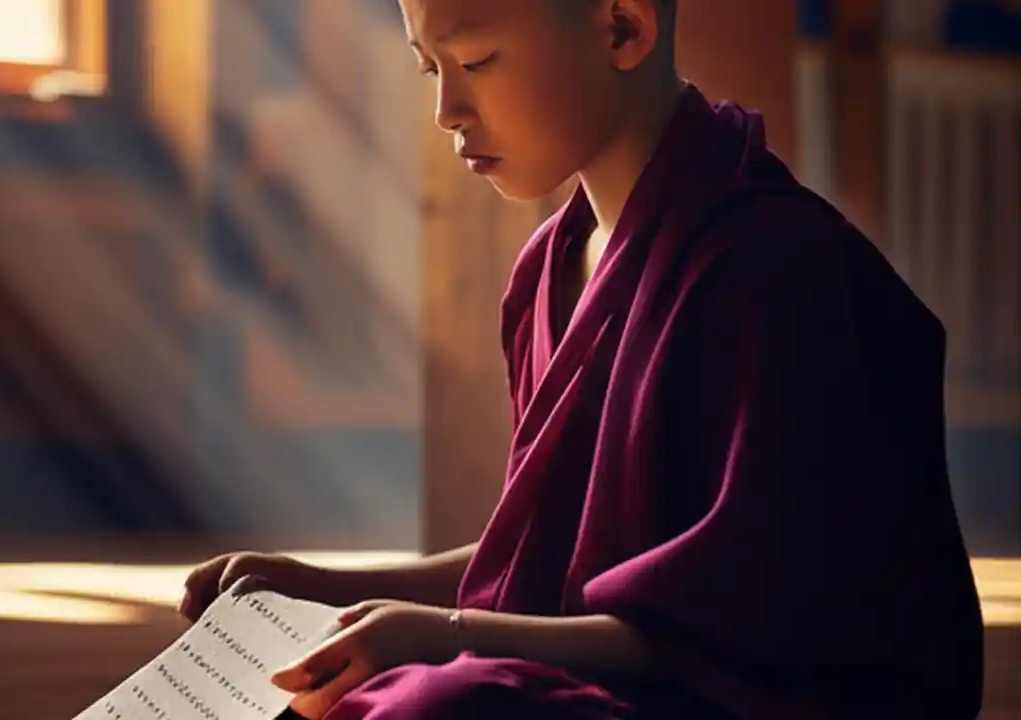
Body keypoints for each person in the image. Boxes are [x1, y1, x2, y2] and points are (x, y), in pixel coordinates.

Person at [178, 0, 984, 717]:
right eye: (429, 67)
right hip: (618, 669)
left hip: (773, 694)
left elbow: (747, 629)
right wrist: (325, 589)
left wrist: (444, 637)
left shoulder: (781, 271)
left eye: (477, 62)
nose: (446, 110)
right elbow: (547, 559)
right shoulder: (546, 271)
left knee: (444, 701)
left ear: (621, 27)